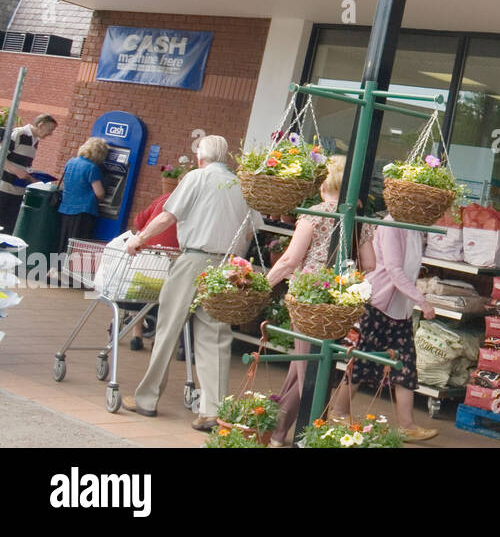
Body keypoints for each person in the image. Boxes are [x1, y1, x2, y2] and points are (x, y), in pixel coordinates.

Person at [121, 134, 249, 431]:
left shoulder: (196, 177)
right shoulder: (242, 185)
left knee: (168, 329)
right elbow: (248, 231)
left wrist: (139, 240)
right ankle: (212, 410)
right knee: (216, 337)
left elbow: (168, 216)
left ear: (200, 157)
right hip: (227, 266)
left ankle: (147, 399)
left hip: (194, 259)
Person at [336, 211, 441, 442]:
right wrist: (421, 300)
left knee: (405, 365)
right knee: (360, 362)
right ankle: (339, 413)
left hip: (399, 309)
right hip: (377, 304)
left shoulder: (414, 225)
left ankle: (407, 425)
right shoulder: (392, 225)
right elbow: (394, 270)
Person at [265, 155, 344, 447]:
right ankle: (277, 430)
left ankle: (287, 433)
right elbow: (370, 262)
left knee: (306, 366)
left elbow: (289, 259)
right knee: (303, 364)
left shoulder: (315, 213)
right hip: (339, 299)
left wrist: (263, 284)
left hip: (308, 298)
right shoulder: (357, 216)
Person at [125, 193, 180, 351]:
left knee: (139, 291)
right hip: (172, 260)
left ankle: (137, 334)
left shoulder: (165, 198)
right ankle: (158, 337)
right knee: (166, 298)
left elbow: (139, 221)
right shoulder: (200, 205)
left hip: (147, 255)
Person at [0, 113, 57, 235]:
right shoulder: (19, 134)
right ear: (41, 125)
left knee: (8, 230)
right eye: (50, 130)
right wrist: (16, 171)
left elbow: (23, 164)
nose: (50, 134)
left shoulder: (35, 141)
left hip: (17, 192)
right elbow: (1, 156)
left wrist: (33, 175)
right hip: (3, 189)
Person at [56, 137, 108, 255]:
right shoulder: (92, 168)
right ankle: (68, 270)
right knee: (77, 245)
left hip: (65, 208)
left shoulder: (71, 162)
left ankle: (56, 268)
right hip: (83, 211)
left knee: (64, 241)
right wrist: (104, 197)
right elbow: (99, 193)